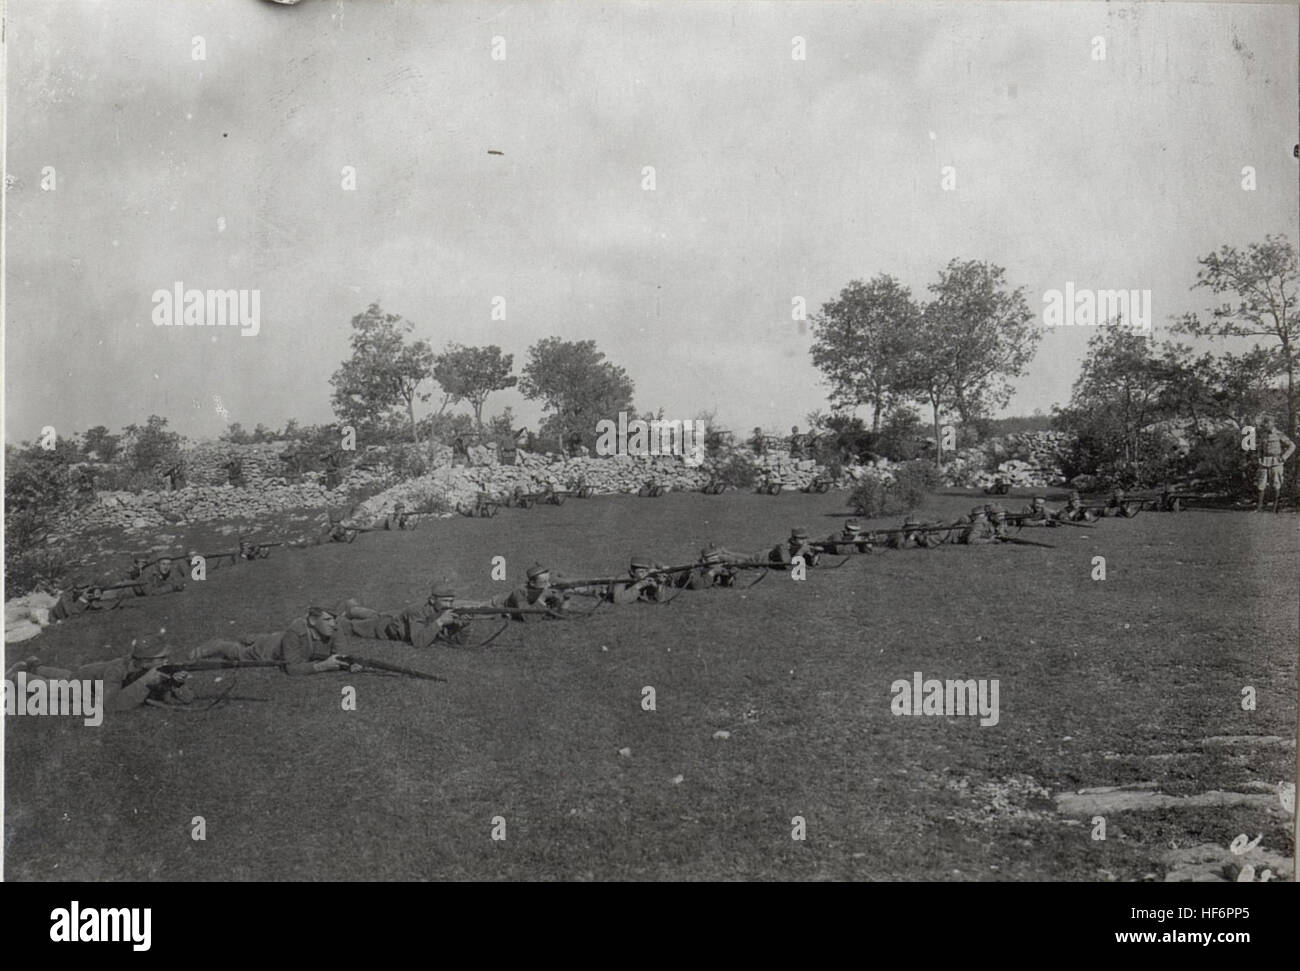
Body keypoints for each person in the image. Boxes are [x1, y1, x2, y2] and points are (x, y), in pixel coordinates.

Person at [8, 634, 195, 711]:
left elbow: (186, 699)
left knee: (65, 675)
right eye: (161, 658)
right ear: (145, 661)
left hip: (89, 676)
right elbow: (110, 705)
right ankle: (16, 677)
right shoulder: (120, 670)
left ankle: (35, 666)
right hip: (85, 684)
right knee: (52, 688)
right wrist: (145, 682)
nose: (166, 662)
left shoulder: (150, 670)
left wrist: (177, 684)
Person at [184, 607, 359, 674]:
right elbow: (291, 668)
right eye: (327, 620)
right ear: (313, 621)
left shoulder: (334, 627)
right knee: (241, 653)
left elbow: (341, 653)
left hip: (281, 639)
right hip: (270, 649)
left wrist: (348, 664)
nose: (333, 624)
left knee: (266, 637)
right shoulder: (296, 631)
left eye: (334, 619)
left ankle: (250, 637)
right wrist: (321, 666)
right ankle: (218, 645)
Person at [337, 582, 472, 648]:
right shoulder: (418, 611)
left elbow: (458, 642)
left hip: (392, 617)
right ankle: (335, 613)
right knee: (348, 627)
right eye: (445, 601)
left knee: (374, 615)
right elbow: (419, 642)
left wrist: (463, 626)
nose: (449, 605)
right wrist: (440, 622)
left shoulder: (443, 610)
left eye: (451, 601)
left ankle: (353, 609)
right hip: (384, 628)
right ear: (432, 600)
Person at [493, 563, 569, 616]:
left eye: (548, 581)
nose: (548, 585)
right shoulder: (521, 591)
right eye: (544, 582)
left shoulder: (545, 591)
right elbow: (528, 617)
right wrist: (542, 598)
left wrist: (566, 599)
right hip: (495, 604)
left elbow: (559, 615)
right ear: (532, 583)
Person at [1255, 417, 1296, 512]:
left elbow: (1292, 446)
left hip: (1276, 461)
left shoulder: (1279, 434)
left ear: (1273, 423)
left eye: (1267, 423)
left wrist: (1284, 457)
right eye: (1265, 424)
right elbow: (1260, 449)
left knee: (1276, 483)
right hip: (1264, 461)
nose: (1265, 425)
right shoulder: (1263, 435)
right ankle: (1259, 507)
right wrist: (1259, 458)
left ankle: (1275, 508)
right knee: (1261, 484)